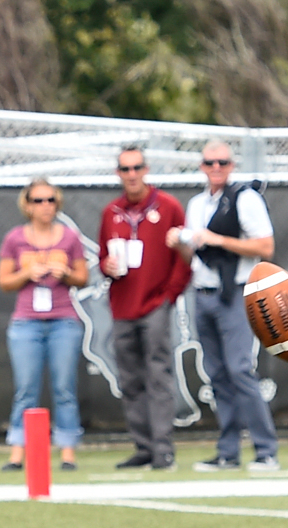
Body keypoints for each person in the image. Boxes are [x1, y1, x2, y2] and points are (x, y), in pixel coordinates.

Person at [167, 141, 281, 473]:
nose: (216, 167)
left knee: (240, 370)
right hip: (203, 294)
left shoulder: (245, 198)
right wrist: (179, 245)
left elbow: (266, 245)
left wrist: (218, 239)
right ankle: (228, 452)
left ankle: (266, 450)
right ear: (201, 166)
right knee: (216, 374)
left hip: (237, 293)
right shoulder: (196, 204)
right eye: (209, 162)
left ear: (231, 165)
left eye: (222, 162)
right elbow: (194, 257)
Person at [98, 146, 192, 471]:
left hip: (155, 304)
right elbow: (101, 258)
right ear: (118, 173)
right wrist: (106, 265)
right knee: (130, 380)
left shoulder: (168, 207)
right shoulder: (111, 211)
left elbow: (185, 256)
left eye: (137, 167)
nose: (132, 174)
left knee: (158, 376)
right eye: (126, 169)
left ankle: (164, 450)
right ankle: (144, 446)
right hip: (123, 305)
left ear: (147, 169)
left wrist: (170, 296)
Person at [0, 178, 88, 472]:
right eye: (38, 200)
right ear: (27, 205)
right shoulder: (15, 238)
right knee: (26, 388)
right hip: (26, 323)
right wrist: (27, 272)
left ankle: (68, 453)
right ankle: (17, 453)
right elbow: (4, 281)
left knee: (64, 387)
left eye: (50, 200)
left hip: (64, 320)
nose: (45, 206)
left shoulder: (70, 237)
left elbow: (83, 277)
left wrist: (65, 273)